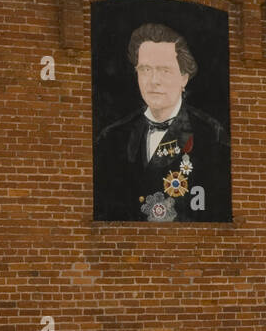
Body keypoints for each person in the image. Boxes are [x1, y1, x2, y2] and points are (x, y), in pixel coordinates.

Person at [93, 22, 231, 222]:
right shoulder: (112, 138)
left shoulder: (211, 136)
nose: (153, 80)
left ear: (184, 77)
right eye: (146, 69)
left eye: (164, 70)